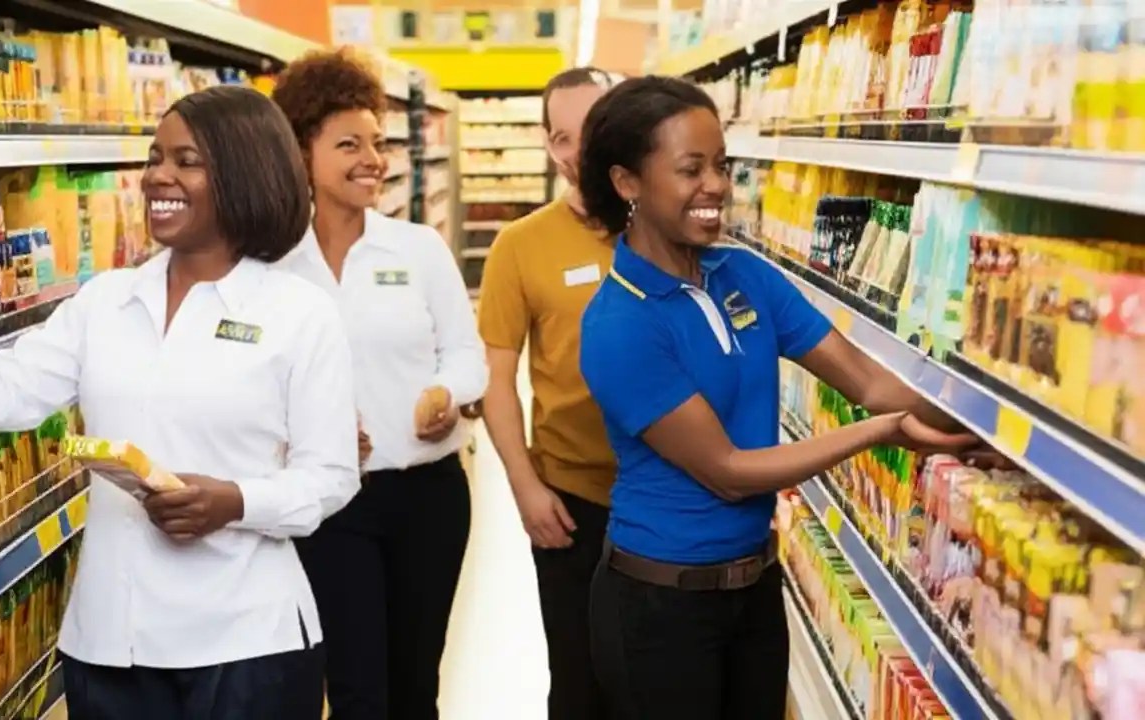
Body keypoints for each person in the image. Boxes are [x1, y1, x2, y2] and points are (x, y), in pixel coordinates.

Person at [0, 86, 357, 720]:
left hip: (248, 643)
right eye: (156, 157)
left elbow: (331, 476)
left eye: (187, 161)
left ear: (244, 174)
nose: (159, 175)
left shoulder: (299, 314)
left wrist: (233, 502)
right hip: (112, 643)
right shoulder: (104, 302)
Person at [575, 76, 985, 719]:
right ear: (627, 182)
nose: (714, 185)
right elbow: (730, 473)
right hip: (659, 610)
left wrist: (986, 422)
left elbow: (871, 383)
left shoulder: (742, 274)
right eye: (690, 169)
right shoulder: (618, 324)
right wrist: (878, 431)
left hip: (757, 588)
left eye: (720, 165)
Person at [270, 48, 486, 720]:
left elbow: (465, 352)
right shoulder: (271, 263)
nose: (373, 158)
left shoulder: (417, 249)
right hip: (332, 508)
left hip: (428, 496)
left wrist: (446, 395)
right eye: (348, 144)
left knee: (416, 686)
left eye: (378, 142)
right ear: (302, 152)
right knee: (359, 692)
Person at [477, 66, 617, 720]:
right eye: (561, 137)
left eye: (590, 130)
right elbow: (495, 380)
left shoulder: (674, 228)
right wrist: (526, 487)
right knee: (578, 680)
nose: (575, 153)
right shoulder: (520, 246)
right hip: (573, 501)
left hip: (678, 495)